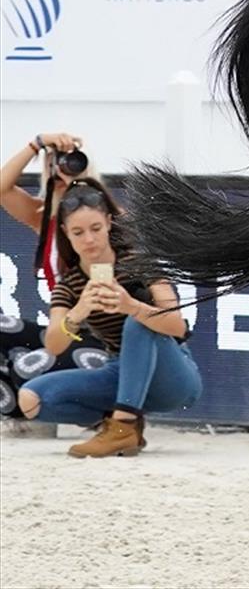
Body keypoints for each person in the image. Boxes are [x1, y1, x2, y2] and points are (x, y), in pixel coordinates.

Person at [15, 179, 203, 457]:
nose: (89, 240)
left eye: (95, 229)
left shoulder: (141, 264)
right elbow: (53, 346)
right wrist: (79, 311)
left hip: (174, 377)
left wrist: (131, 306)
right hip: (121, 371)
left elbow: (176, 326)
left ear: (109, 223)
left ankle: (123, 426)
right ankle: (125, 420)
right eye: (78, 232)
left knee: (137, 321)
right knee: (30, 400)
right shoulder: (69, 285)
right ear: (66, 233)